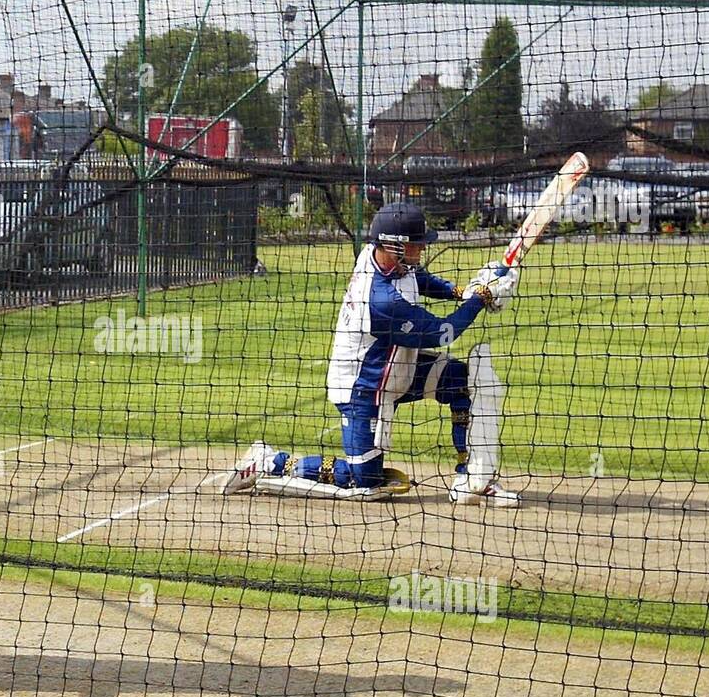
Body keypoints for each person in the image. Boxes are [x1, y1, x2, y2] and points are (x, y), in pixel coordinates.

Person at [221, 202, 522, 507]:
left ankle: (473, 477)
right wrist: (481, 298)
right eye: (416, 245)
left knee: (462, 380)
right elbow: (443, 332)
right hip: (362, 388)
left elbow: (421, 279)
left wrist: (462, 291)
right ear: (394, 246)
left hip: (399, 367)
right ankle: (270, 462)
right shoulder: (380, 300)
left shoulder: (381, 257)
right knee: (363, 481)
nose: (421, 250)